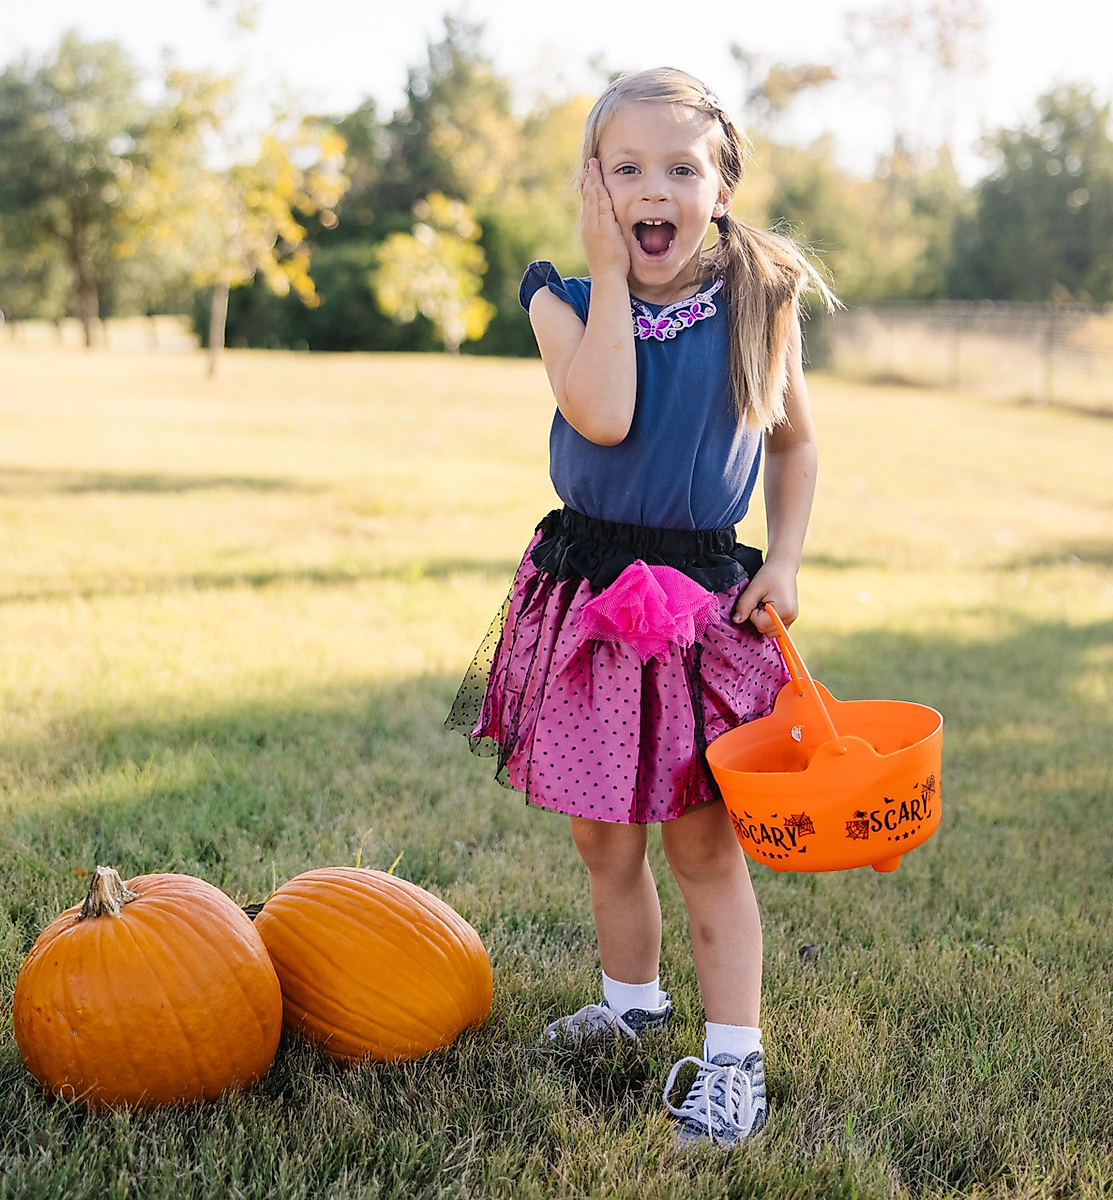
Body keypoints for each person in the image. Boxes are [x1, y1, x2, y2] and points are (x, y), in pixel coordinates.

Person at [447, 66, 837, 1148]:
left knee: (703, 844)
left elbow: (794, 444)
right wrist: (608, 273)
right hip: (590, 596)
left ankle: (734, 1061)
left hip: (701, 604)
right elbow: (606, 414)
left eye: (681, 169)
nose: (654, 189)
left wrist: (786, 560)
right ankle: (631, 1003)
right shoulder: (561, 303)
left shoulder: (758, 302)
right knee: (604, 837)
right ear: (593, 186)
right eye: (626, 170)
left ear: (722, 187)